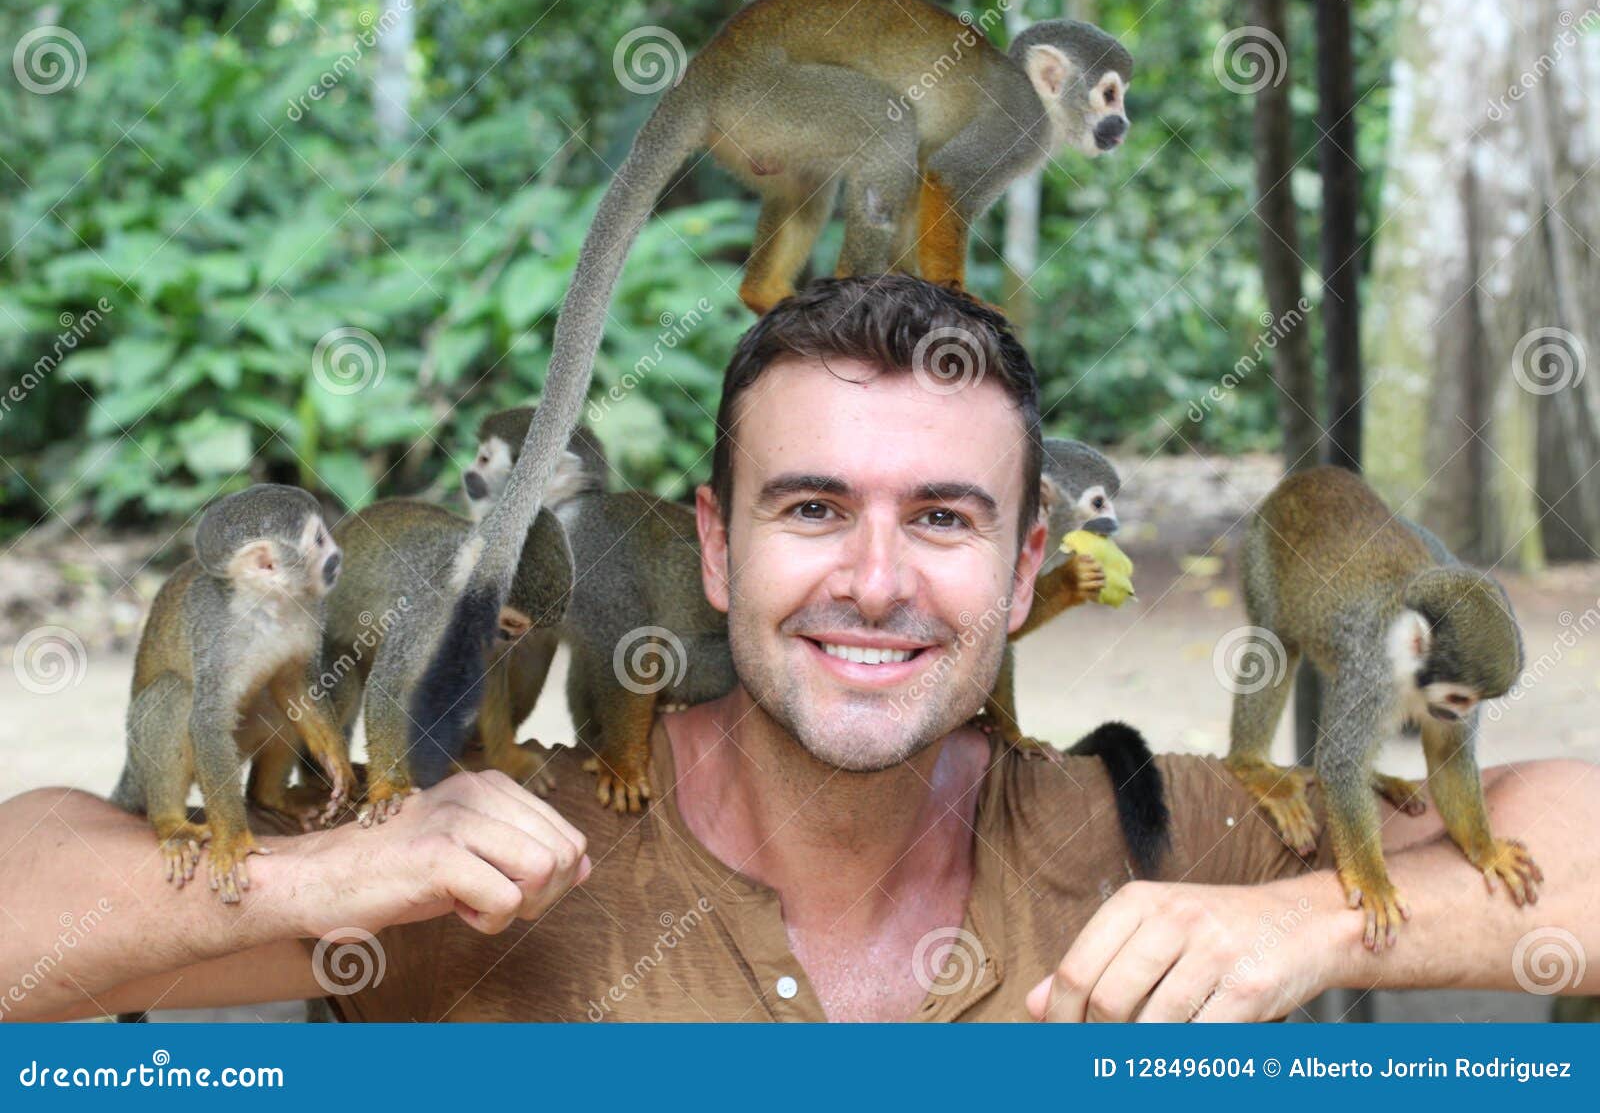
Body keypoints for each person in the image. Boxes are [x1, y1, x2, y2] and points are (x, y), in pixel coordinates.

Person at [3, 276, 1596, 1023]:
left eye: (950, 520)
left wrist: (1321, 925)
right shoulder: (502, 856)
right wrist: (314, 878)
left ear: (1030, 561)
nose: (878, 580)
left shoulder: (1148, 832)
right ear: (714, 545)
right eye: (815, 507)